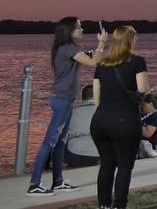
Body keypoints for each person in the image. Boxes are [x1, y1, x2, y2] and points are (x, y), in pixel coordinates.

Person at [27, 17, 106, 195]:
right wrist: (101, 43)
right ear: (69, 30)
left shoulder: (67, 49)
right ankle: (34, 184)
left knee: (61, 141)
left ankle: (58, 182)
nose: (82, 30)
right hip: (62, 101)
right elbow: (94, 62)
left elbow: (89, 57)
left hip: (67, 100)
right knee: (49, 141)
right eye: (79, 27)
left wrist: (97, 50)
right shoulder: (69, 48)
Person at [90, 25, 149, 209]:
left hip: (100, 121)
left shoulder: (102, 63)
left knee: (106, 164)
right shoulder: (137, 62)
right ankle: (119, 205)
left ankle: (103, 205)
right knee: (124, 166)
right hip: (125, 120)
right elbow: (143, 90)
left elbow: (96, 97)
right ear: (130, 40)